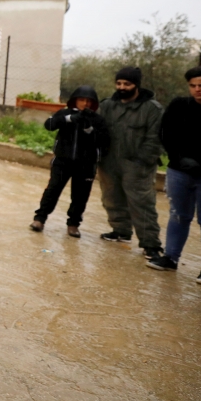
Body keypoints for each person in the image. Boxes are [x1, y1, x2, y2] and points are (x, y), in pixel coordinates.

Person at [146, 66, 201, 286]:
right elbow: (166, 133)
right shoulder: (179, 105)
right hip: (178, 172)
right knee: (178, 215)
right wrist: (179, 158)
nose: (197, 89)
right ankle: (170, 258)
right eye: (193, 86)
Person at [98, 66, 164, 259]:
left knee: (141, 203)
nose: (122, 87)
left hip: (137, 164)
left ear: (136, 85)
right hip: (109, 161)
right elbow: (98, 129)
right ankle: (120, 231)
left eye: (127, 83)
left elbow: (156, 138)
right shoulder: (108, 106)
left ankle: (150, 244)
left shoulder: (151, 109)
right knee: (111, 197)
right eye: (119, 83)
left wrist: (143, 160)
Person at [30, 86, 109, 237]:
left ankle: (73, 224)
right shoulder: (64, 113)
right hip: (62, 161)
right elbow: (49, 125)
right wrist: (68, 119)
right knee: (52, 190)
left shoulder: (97, 120)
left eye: (88, 101)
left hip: (86, 165)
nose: (85, 103)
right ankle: (40, 219)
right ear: (74, 100)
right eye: (81, 100)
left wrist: (90, 130)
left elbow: (104, 140)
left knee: (80, 196)